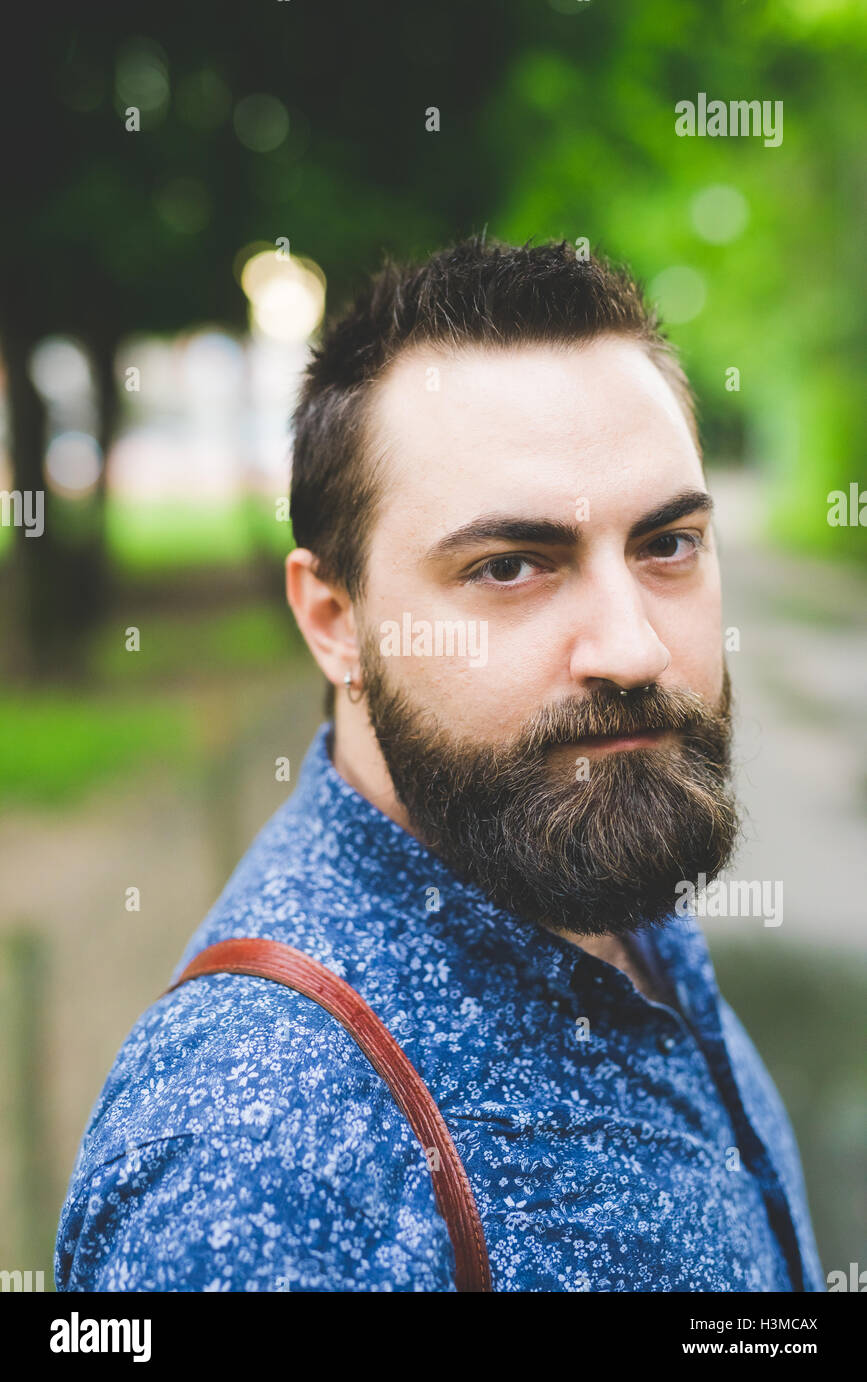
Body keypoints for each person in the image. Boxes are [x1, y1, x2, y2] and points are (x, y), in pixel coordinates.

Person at [55, 236, 824, 1292]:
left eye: (668, 545)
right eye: (511, 566)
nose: (635, 648)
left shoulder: (587, 847)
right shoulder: (256, 1161)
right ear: (334, 620)